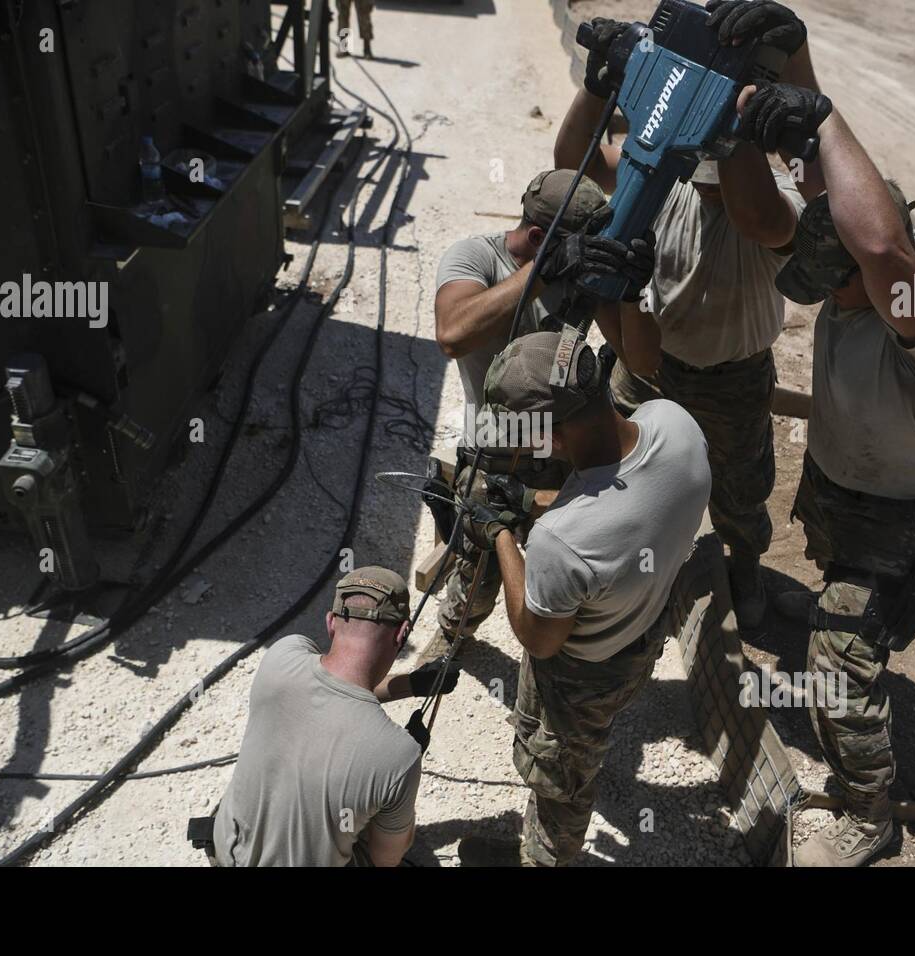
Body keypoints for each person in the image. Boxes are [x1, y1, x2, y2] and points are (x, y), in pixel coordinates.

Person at [733, 70, 915, 865]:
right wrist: (769, 122)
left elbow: (880, 247)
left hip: (899, 514)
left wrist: (828, 115)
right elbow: (819, 209)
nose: (832, 303)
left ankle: (869, 813)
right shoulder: (850, 277)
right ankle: (848, 607)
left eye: (842, 288)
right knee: (832, 591)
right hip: (843, 493)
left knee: (838, 677)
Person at [553, 1, 818, 627]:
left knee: (738, 491)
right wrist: (602, 86)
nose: (698, 175)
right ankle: (625, 562)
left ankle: (741, 564)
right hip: (648, 368)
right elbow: (574, 160)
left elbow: (756, 217)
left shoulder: (771, 212)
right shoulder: (662, 177)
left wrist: (729, 110)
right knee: (617, 472)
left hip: (732, 379)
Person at [456, 330, 711, 866]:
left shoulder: (559, 542)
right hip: (637, 640)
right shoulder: (675, 423)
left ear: (549, 434)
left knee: (561, 780)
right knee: (579, 750)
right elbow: (622, 507)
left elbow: (538, 636)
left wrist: (500, 531)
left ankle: (546, 857)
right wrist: (530, 501)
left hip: (580, 678)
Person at [431, 169, 650, 652]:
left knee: (573, 559)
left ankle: (558, 649)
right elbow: (452, 334)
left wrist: (630, 291)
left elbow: (640, 359)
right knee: (479, 567)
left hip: (565, 447)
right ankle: (453, 636)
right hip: (497, 444)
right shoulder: (475, 257)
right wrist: (542, 273)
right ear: (537, 236)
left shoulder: (582, 270)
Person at [208, 567, 457, 866]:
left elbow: (332, 686)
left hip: (225, 852)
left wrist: (411, 684)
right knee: (380, 829)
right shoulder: (399, 756)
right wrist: (403, 762)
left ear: (330, 622)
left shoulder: (282, 655)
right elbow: (385, 859)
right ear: (402, 634)